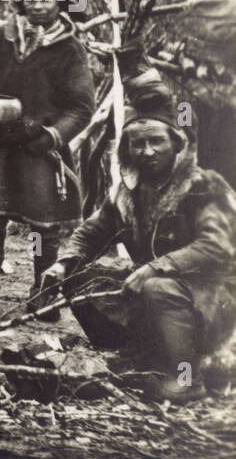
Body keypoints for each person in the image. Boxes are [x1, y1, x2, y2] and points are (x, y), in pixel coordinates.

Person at [39, 81, 236, 402]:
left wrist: (156, 268)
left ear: (176, 142)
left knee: (158, 286)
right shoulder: (127, 194)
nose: (147, 151)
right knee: (81, 277)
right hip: (159, 300)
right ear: (126, 149)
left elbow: (218, 247)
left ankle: (188, 378)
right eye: (137, 143)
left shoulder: (205, 186)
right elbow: (92, 232)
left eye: (157, 141)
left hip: (216, 303)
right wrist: (63, 263)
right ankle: (138, 355)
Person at [0, 0, 95, 320]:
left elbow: (81, 107)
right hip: (0, 142)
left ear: (60, 2)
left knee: (42, 224)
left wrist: (50, 135)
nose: (37, 6)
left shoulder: (69, 49)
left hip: (39, 148)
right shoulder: (4, 36)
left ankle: (43, 293)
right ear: (21, 1)